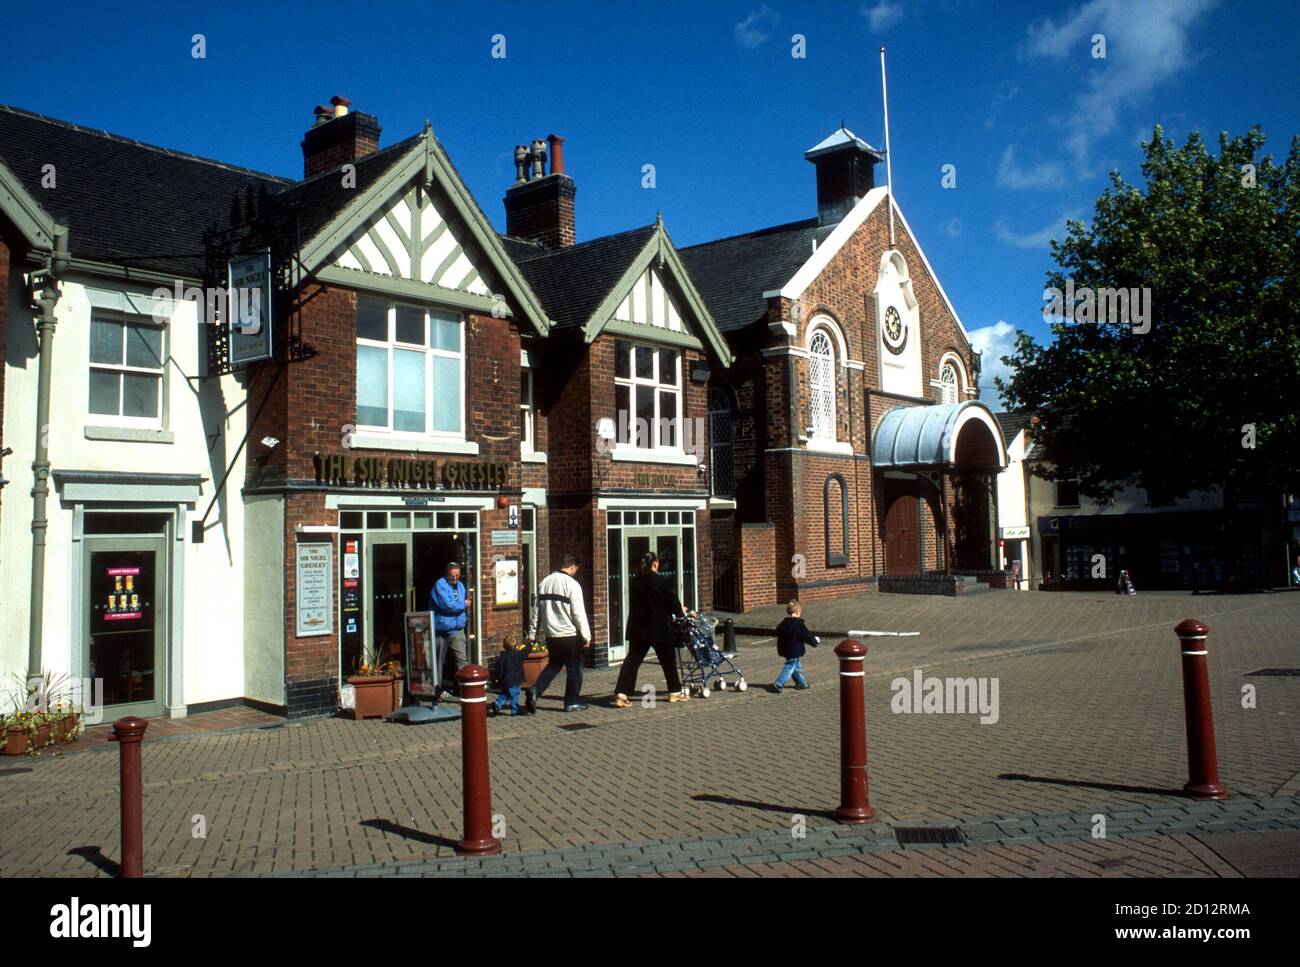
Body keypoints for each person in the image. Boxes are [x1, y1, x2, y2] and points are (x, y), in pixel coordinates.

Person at [614, 551, 689, 708]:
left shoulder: (636, 581)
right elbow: (673, 603)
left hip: (639, 629)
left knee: (632, 661)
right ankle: (675, 692)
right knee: (668, 661)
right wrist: (681, 611)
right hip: (659, 628)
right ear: (655, 563)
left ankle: (622, 693)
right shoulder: (662, 581)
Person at [528, 553, 592, 713]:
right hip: (569, 634)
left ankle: (535, 690)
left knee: (553, 666)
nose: (575, 572)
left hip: (551, 634)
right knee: (574, 669)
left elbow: (537, 612)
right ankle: (571, 701)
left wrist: (532, 634)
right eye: (575, 569)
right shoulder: (572, 585)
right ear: (572, 566)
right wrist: (586, 635)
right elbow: (578, 613)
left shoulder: (544, 583)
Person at [431, 562, 470, 700]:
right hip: (441, 630)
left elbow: (455, 605)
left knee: (462, 661)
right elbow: (447, 605)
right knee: (438, 663)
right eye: (452, 575)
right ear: (446, 574)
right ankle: (436, 693)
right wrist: (463, 605)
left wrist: (461, 608)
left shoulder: (460, 585)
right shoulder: (440, 585)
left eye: (457, 575)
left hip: (457, 630)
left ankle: (466, 690)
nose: (454, 578)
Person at [773, 599, 818, 692]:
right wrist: (814, 642)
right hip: (794, 650)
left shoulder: (784, 623)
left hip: (785, 649)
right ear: (797, 612)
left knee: (796, 667)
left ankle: (801, 683)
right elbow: (807, 635)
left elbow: (777, 632)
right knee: (790, 666)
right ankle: (779, 683)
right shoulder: (799, 624)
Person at [488, 631, 529, 717]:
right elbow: (526, 651)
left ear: (504, 646)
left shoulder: (502, 658)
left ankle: (497, 705)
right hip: (515, 680)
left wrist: (494, 678)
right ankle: (515, 710)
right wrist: (530, 644)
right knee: (515, 695)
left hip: (505, 681)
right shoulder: (519, 655)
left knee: (505, 694)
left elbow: (498, 670)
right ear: (516, 646)